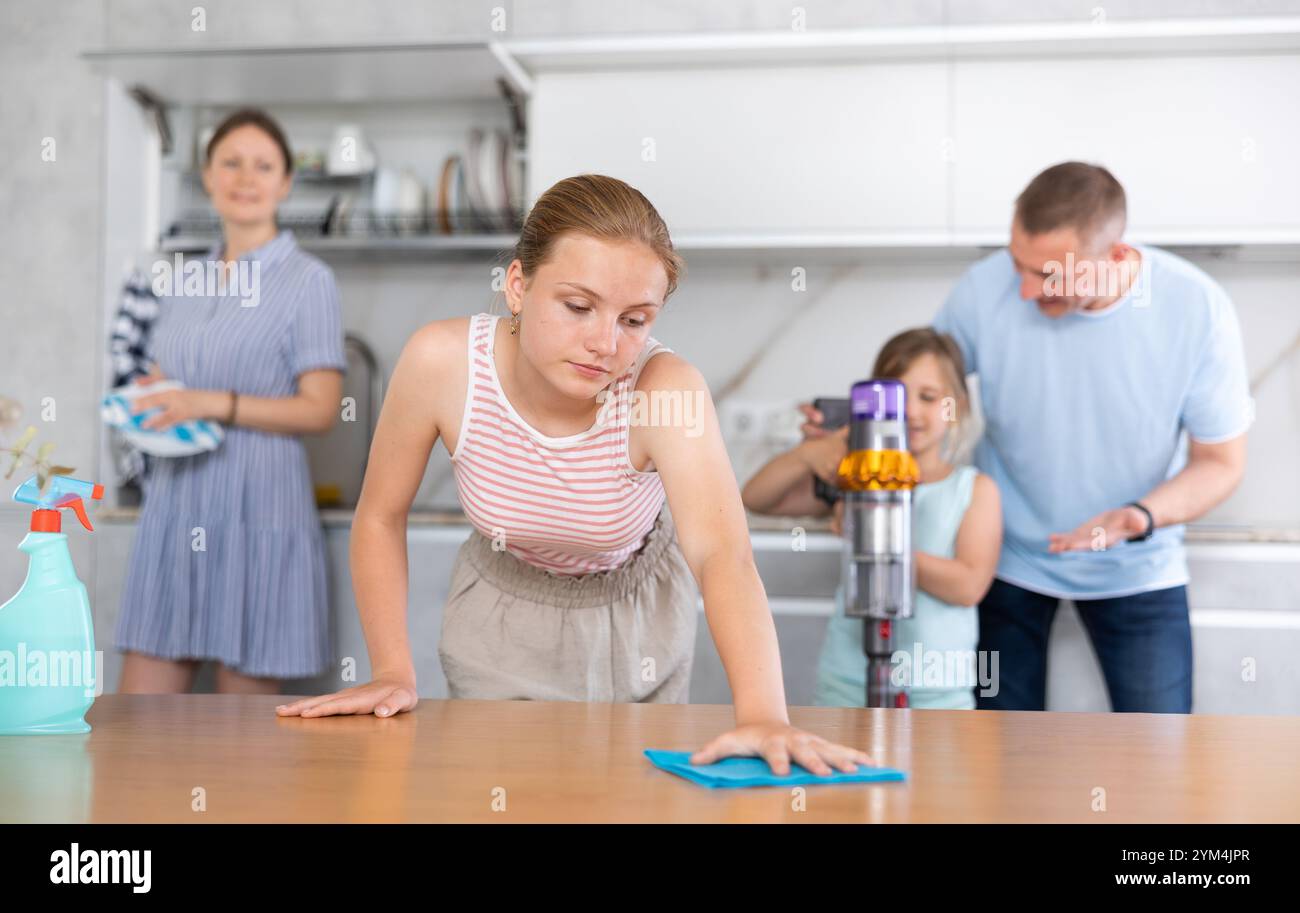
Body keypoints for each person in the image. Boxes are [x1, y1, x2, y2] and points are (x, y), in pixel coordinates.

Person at [277, 174, 875, 776]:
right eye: (578, 307)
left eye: (635, 320)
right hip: (499, 613)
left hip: (636, 619)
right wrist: (391, 670)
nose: (605, 344)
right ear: (518, 284)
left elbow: (724, 554)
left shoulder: (664, 390)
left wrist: (764, 713)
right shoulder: (442, 362)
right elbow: (380, 514)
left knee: (630, 799)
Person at [806, 161, 1252, 713]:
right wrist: (854, 426)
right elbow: (925, 385)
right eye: (1019, 264)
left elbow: (1221, 461)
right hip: (1009, 563)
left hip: (1138, 565)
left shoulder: (1197, 309)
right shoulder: (982, 288)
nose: (1023, 290)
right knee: (1001, 758)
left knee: (1159, 753)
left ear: (1113, 257)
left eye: (1049, 276)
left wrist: (1139, 516)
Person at [116, 108, 347, 694]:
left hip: (259, 510)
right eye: (231, 163)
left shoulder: (308, 280)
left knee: (246, 753)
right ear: (208, 176)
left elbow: (321, 409)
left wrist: (211, 402)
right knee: (135, 730)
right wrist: (155, 393)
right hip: (175, 507)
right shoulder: (184, 279)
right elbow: (171, 375)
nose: (246, 178)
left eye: (263, 165)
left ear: (285, 183)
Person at [744, 329, 1001, 708]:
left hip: (937, 693)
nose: (910, 412)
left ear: (956, 407)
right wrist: (811, 454)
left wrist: (873, 536)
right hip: (846, 685)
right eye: (897, 397)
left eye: (928, 397)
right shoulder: (858, 479)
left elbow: (967, 585)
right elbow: (756, 498)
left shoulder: (973, 490)